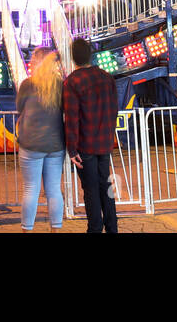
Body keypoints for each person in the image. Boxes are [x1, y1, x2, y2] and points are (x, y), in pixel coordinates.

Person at [63, 37, 118, 234]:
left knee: (91, 190)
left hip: (85, 145)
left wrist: (72, 148)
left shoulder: (72, 82)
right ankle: (112, 227)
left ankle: (94, 228)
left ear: (73, 58)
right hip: (104, 142)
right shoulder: (107, 77)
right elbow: (114, 109)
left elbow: (72, 118)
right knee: (106, 187)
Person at [17, 48, 65, 232]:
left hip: (31, 143)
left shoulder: (28, 84)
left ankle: (27, 229)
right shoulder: (60, 85)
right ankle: (56, 229)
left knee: (31, 189)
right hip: (55, 143)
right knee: (53, 189)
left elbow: (20, 107)